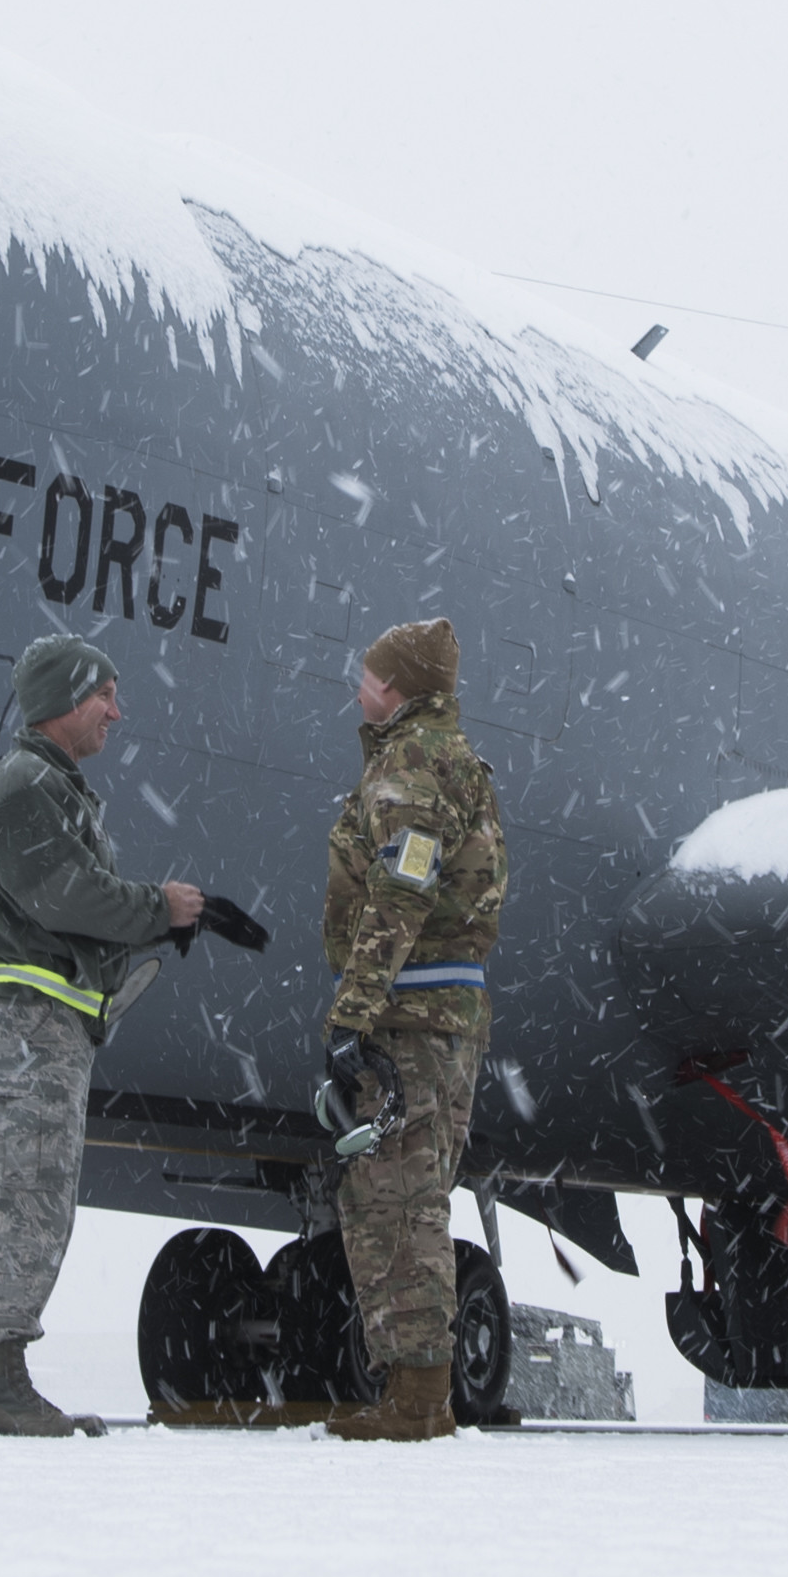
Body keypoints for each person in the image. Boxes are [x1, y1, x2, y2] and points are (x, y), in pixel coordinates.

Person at [0, 631, 203, 1436]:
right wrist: (155, 909)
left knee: (37, 1198)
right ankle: (1, 1386)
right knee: (24, 1200)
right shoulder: (27, 785)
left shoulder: (46, 785)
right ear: (63, 700)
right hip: (26, 1027)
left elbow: (65, 901)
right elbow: (64, 895)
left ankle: (6, 1380)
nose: (115, 713)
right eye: (103, 696)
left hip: (44, 1028)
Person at [313, 615, 508, 1442]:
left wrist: (353, 1011)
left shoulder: (411, 765)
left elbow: (401, 891)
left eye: (371, 672)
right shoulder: (448, 760)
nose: (360, 684)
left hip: (410, 1014)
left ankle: (419, 1398)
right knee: (409, 1192)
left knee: (394, 1197)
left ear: (396, 687)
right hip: (446, 1012)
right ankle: (415, 1389)